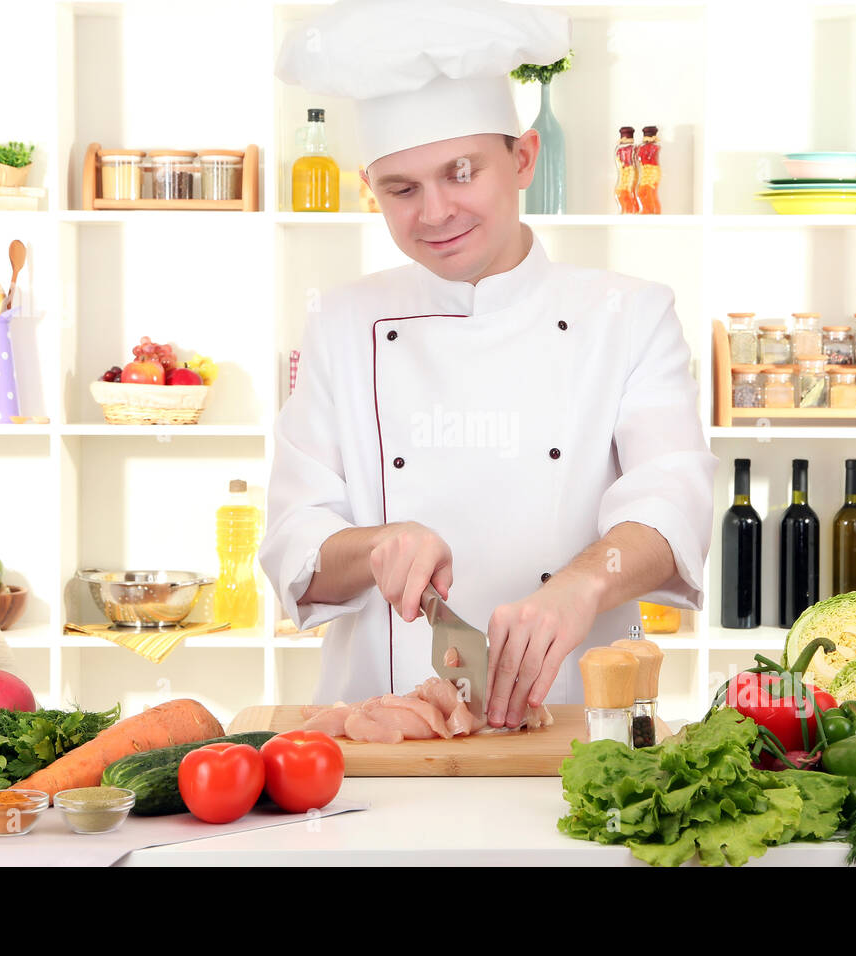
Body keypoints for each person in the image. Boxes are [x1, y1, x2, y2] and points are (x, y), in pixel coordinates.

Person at [262, 0, 717, 728]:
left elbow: (672, 510)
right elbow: (294, 544)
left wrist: (579, 584)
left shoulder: (628, 315)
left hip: (575, 731)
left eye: (461, 172)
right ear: (370, 189)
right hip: (377, 736)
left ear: (524, 159)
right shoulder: (341, 323)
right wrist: (376, 546)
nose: (435, 212)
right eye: (402, 189)